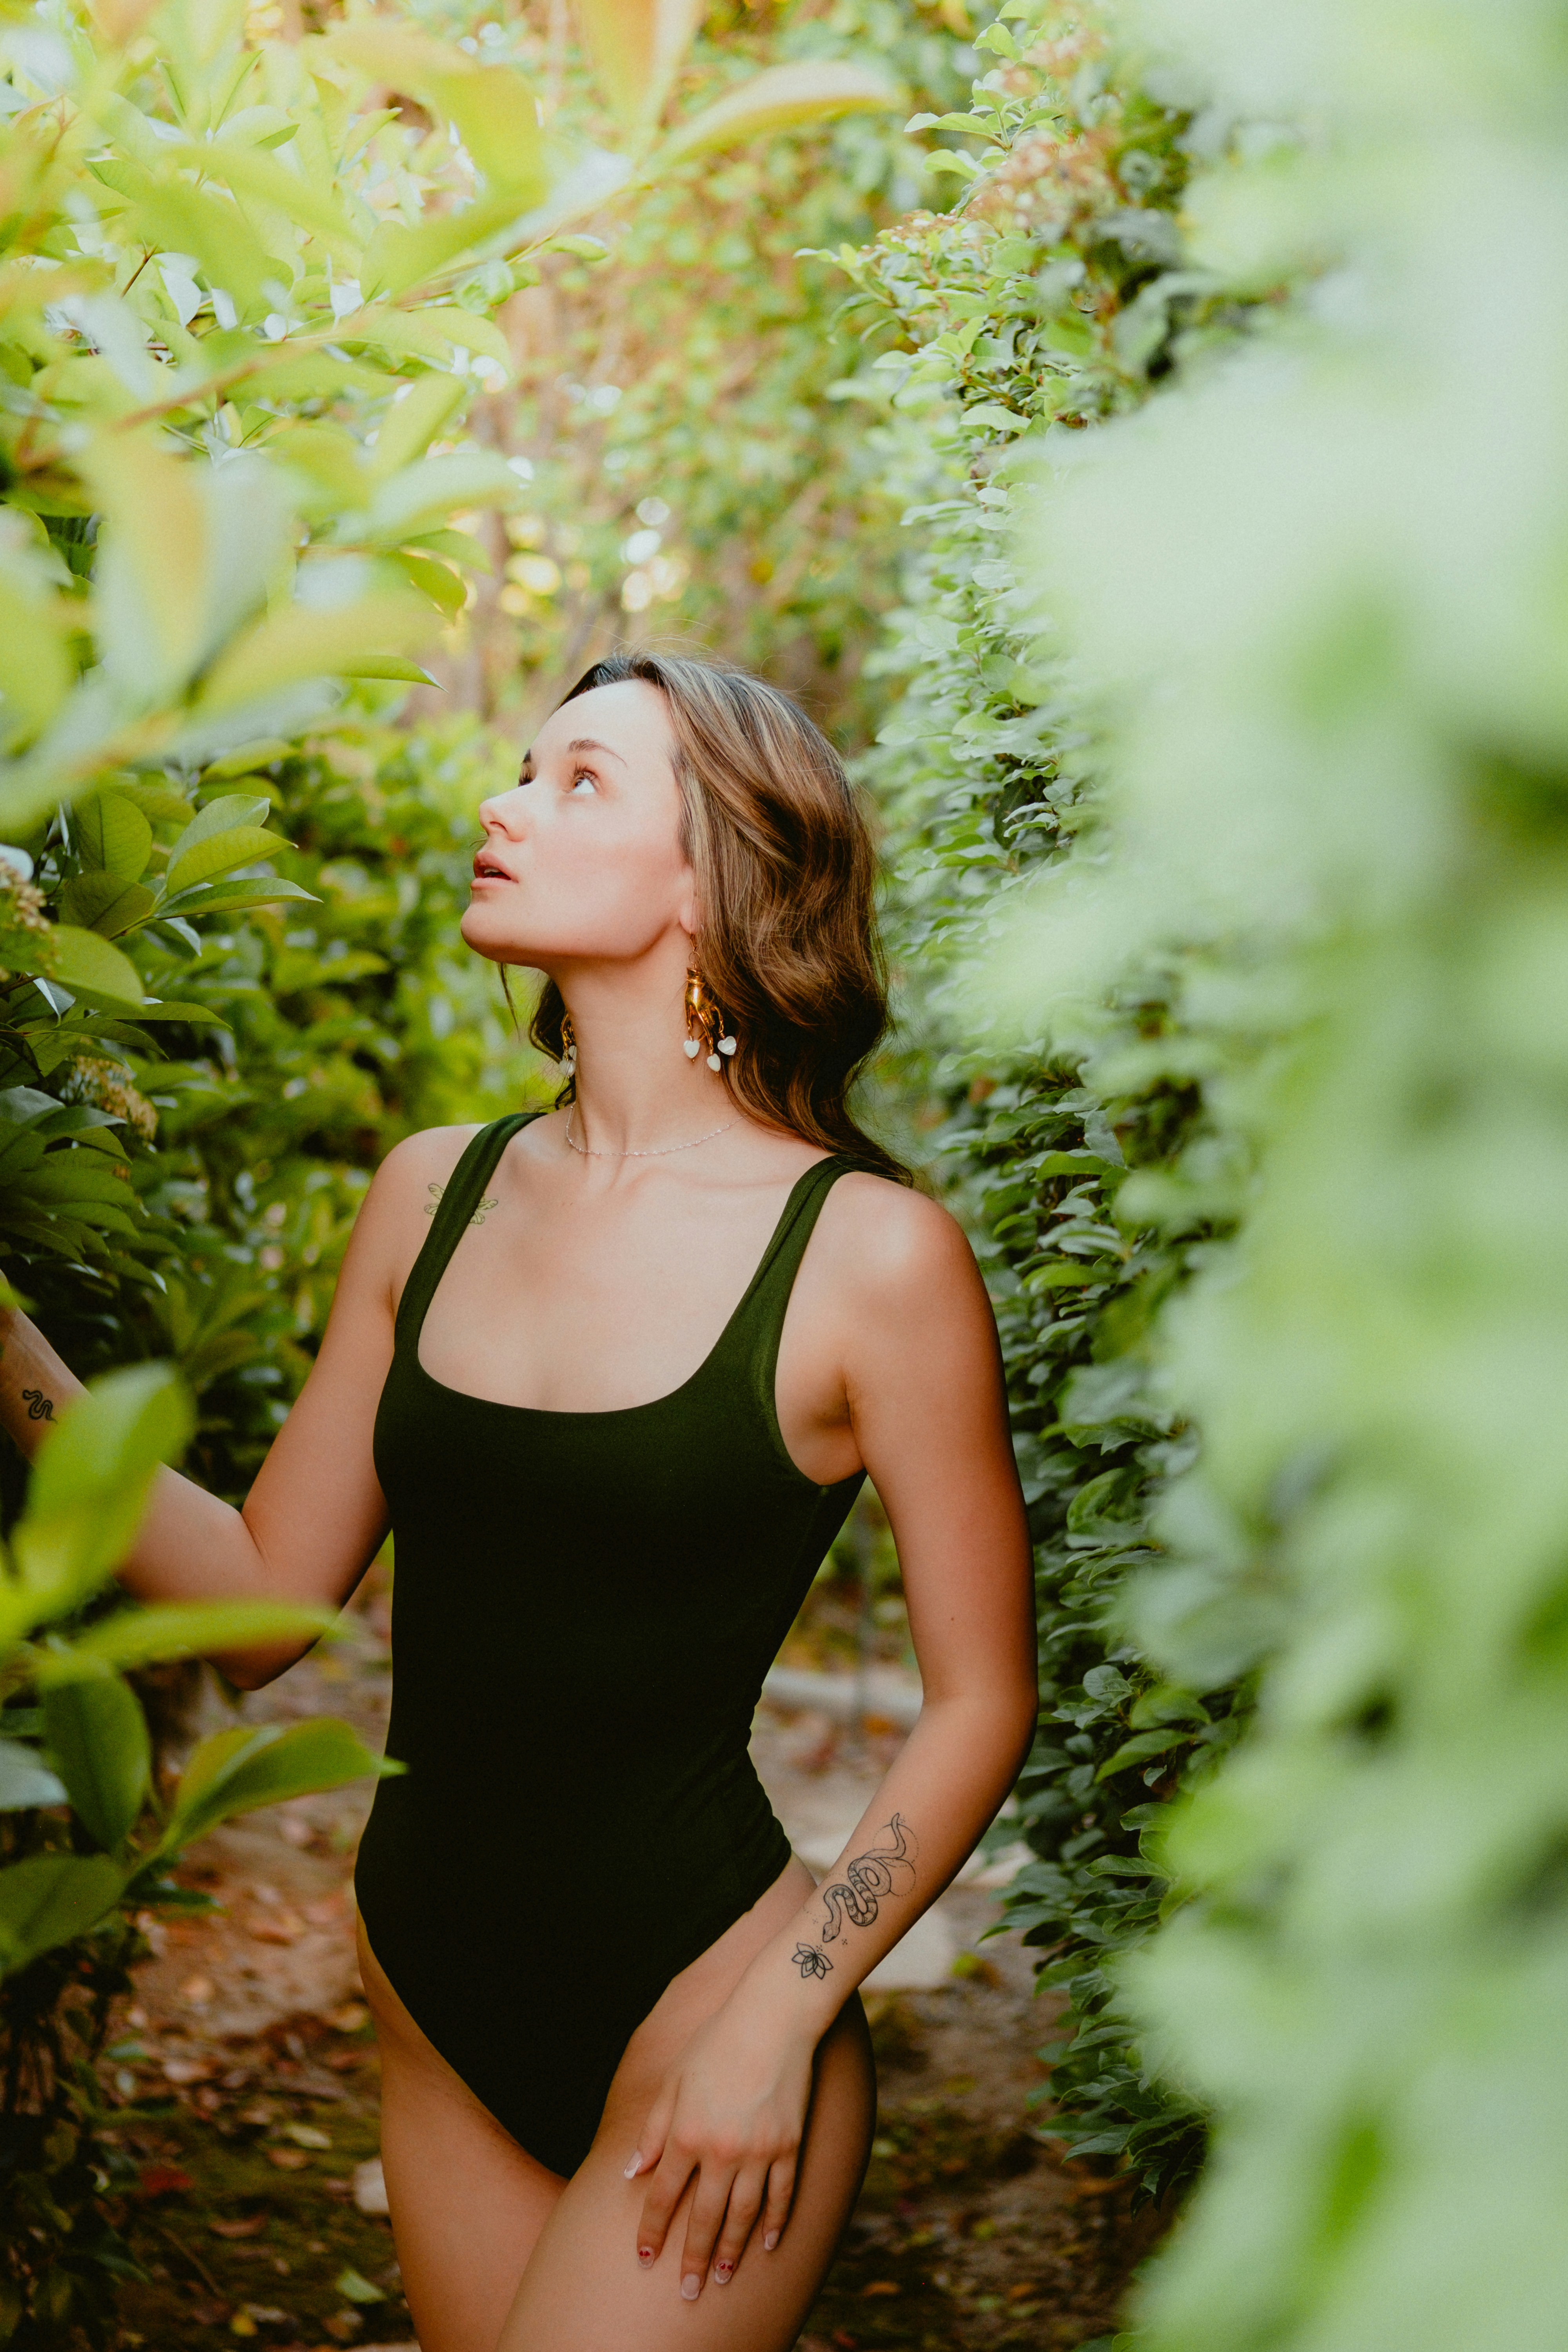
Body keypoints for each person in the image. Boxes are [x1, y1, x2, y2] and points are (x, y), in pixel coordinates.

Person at [0, 653, 1036, 2352]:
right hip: (431, 1997)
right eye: (521, 768)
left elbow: (982, 1697)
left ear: (709, 877)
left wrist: (783, 2018)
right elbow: (258, 1602)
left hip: (700, 1998)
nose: (502, 804)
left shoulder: (870, 1259)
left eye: (579, 783)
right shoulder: (433, 1194)